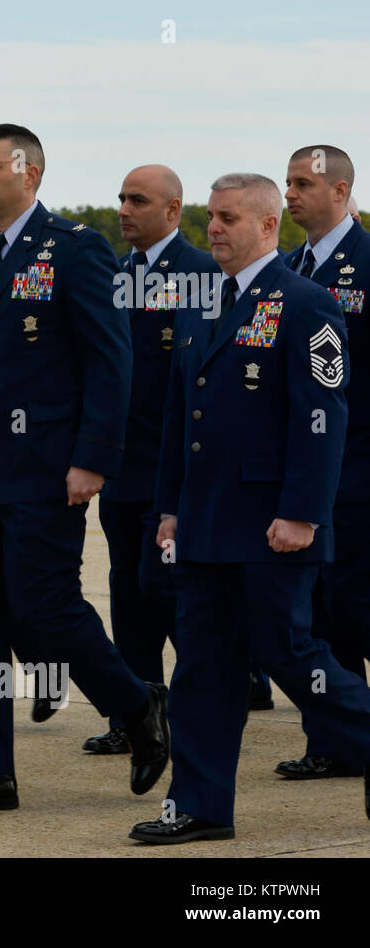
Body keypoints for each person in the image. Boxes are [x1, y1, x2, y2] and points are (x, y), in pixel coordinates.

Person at [0, 124, 169, 817]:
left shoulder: (76, 249)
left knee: (45, 607)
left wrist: (93, 459)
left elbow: (109, 361)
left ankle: (135, 702)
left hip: (49, 467)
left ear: (30, 173)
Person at [131, 173, 370, 843]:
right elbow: (183, 420)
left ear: (268, 224)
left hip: (274, 524)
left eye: (229, 217)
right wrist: (170, 510)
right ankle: (199, 806)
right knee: (202, 670)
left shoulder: (307, 302)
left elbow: (322, 419)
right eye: (210, 216)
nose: (214, 229)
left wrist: (302, 512)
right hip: (206, 523)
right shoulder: (201, 302)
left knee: (292, 656)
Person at [84, 165, 217, 755]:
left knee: (165, 587)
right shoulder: (118, 273)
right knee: (128, 593)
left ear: (172, 209)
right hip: (123, 463)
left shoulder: (199, 273)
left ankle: (207, 698)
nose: (123, 209)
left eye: (137, 199)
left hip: (174, 467)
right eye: (120, 198)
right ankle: (136, 712)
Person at [273, 144, 370, 780]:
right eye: (285, 184)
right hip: (307, 471)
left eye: (303, 183)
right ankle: (333, 740)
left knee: (358, 605)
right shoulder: (288, 268)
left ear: (339, 190)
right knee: (321, 610)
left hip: (362, 465)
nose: (290, 195)